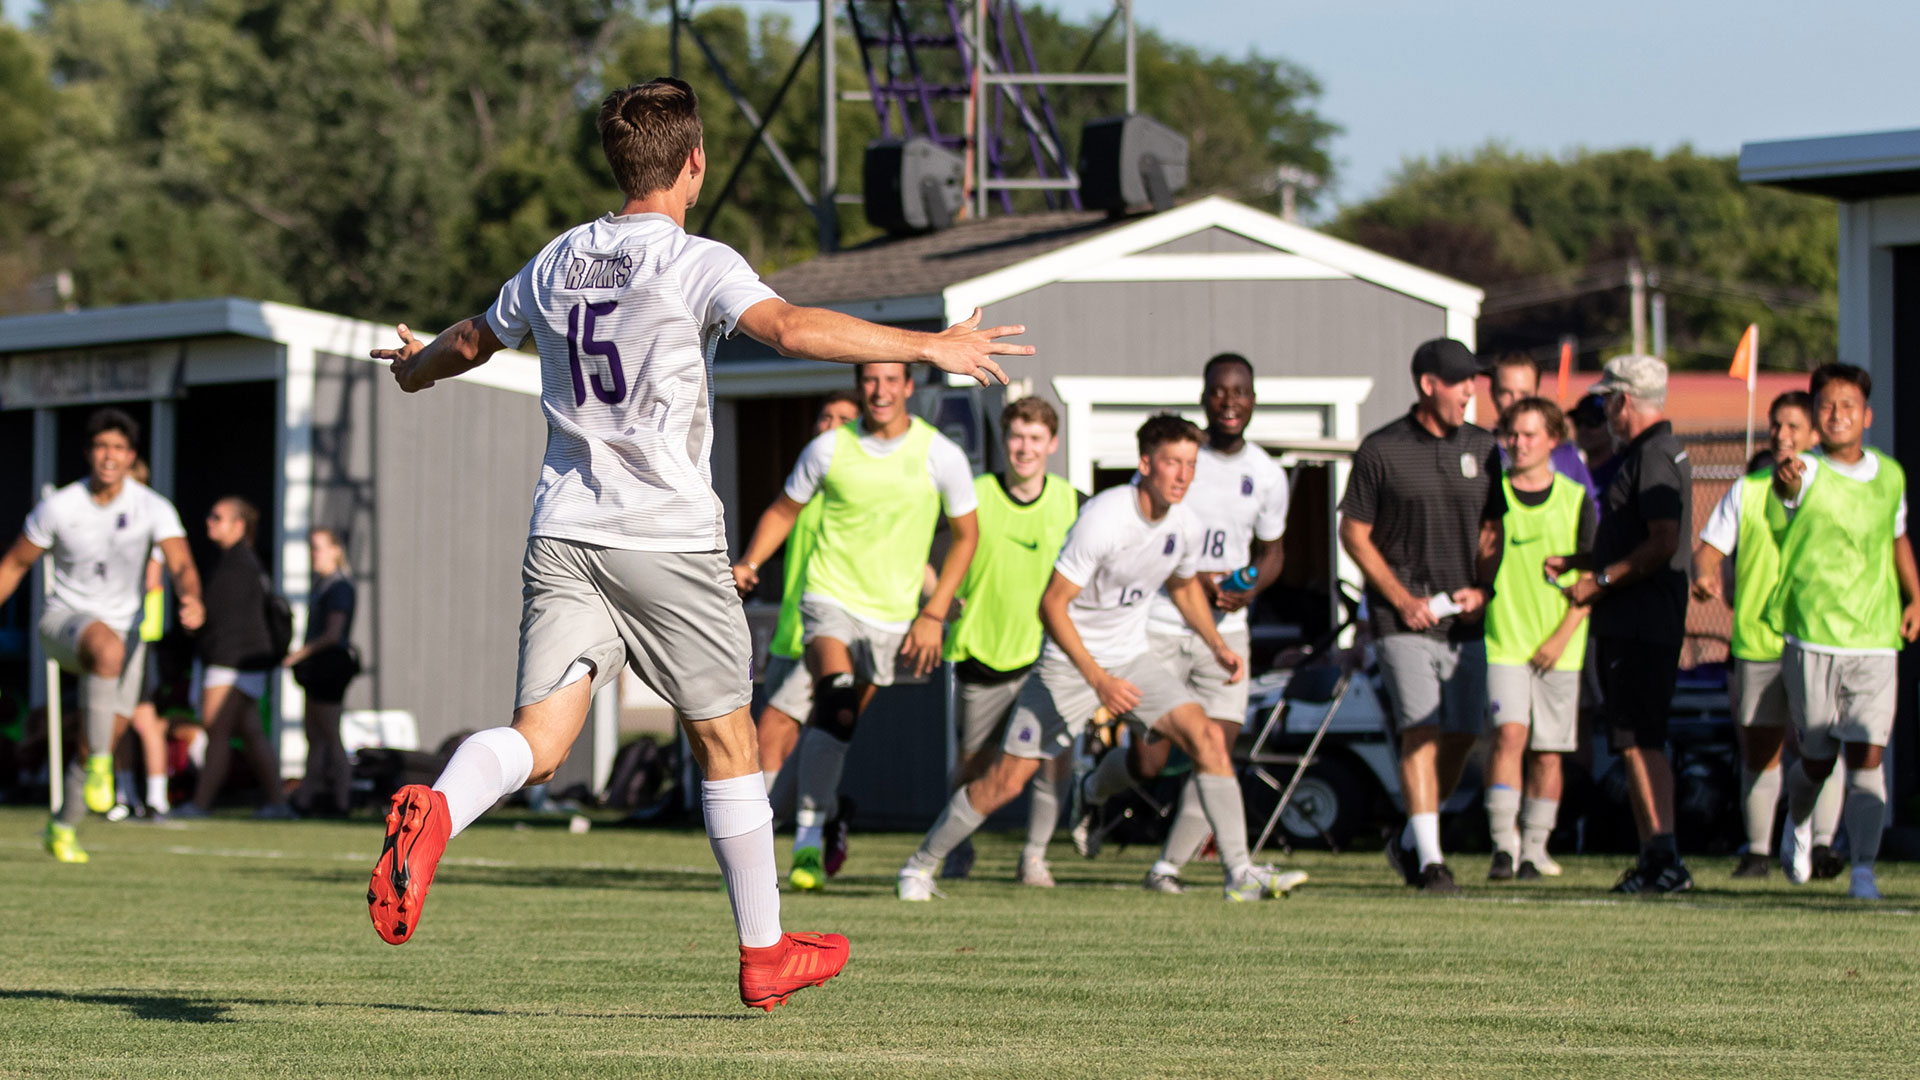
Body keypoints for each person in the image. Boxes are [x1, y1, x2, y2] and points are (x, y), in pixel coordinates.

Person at [362, 76, 1027, 1011]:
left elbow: (475, 338)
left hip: (564, 530)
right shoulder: (694, 260)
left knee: (542, 743)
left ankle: (438, 809)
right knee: (727, 740)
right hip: (665, 537)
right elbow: (792, 328)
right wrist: (930, 347)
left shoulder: (560, 257)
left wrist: (418, 371)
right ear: (693, 163)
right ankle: (764, 954)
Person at [896, 414, 1305, 902]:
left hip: (1133, 659)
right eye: (1172, 463)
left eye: (1191, 464)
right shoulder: (1105, 518)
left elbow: (1181, 585)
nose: (1183, 475)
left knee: (1207, 738)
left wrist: (1217, 646)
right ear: (1145, 463)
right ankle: (918, 867)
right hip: (1069, 666)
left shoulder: (1184, 523)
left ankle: (1240, 874)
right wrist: (1098, 680)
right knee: (1004, 783)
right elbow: (1051, 606)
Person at [733, 360, 980, 892]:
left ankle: (806, 825)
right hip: (828, 602)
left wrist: (933, 613)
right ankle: (801, 845)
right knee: (834, 699)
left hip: (891, 618)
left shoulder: (941, 454)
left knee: (835, 725)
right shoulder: (828, 448)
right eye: (871, 379)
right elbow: (782, 509)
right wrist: (750, 563)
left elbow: (967, 536)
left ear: (909, 387)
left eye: (892, 380)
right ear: (860, 385)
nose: (880, 390)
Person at [1077, 353, 1292, 893]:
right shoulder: (1179, 460)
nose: (1229, 401)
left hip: (1226, 631)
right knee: (1150, 762)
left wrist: (1248, 586)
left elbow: (1272, 554)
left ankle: (1169, 867)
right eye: (1219, 391)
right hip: (1161, 624)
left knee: (1213, 750)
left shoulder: (1266, 473)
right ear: (1204, 396)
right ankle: (1094, 790)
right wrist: (1194, 580)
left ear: (1253, 400)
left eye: (1240, 391)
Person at [0, 408, 203, 861]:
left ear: (130, 457)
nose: (108, 456)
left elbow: (181, 563)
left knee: (104, 734)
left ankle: (63, 826)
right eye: (100, 447)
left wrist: (192, 597)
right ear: (89, 454)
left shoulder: (153, 506)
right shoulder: (60, 505)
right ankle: (99, 769)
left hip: (127, 634)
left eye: (117, 448)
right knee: (105, 648)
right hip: (63, 623)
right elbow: (14, 564)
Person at [1339, 338, 1504, 894]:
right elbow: (1354, 534)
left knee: (1463, 733)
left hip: (1465, 622)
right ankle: (1432, 862)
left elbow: (1491, 528)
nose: (1470, 391)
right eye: (1460, 381)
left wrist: (1485, 585)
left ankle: (1409, 840)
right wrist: (1399, 597)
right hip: (1400, 620)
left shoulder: (1484, 448)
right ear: (1428, 384)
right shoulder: (1382, 449)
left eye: (1473, 380)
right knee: (1423, 728)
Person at [1767, 363, 1920, 900]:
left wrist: (1914, 595)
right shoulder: (1799, 471)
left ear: (1866, 416)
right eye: (1827, 406)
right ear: (1815, 416)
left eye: (1847, 406)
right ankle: (1799, 821)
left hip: (1876, 638)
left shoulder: (1890, 475)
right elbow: (1784, 499)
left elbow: (1897, 538)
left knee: (1867, 754)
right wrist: (1786, 484)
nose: (1837, 415)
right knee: (1816, 756)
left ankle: (1862, 870)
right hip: (1812, 634)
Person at [1553, 355, 1693, 894]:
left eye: (1607, 400)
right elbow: (1638, 539)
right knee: (1633, 740)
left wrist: (1600, 583)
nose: (1604, 411)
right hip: (1635, 619)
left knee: (1640, 742)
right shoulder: (1652, 451)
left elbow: (1660, 542)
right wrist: (1578, 563)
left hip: (1639, 622)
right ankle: (1654, 856)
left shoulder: (1654, 454)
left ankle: (1664, 859)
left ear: (1625, 401)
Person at [1691, 392, 1843, 878]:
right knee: (1761, 748)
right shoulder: (1748, 489)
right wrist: (1704, 573)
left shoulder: (1834, 489)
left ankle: (1820, 846)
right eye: (1776, 425)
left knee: (1822, 744)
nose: (1782, 435)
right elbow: (1710, 549)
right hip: (1759, 639)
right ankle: (1758, 850)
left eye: (1794, 426)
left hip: (1819, 638)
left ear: (1814, 434)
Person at [938, 396, 1080, 886]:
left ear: (1053, 444)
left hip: (1049, 656)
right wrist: (936, 595)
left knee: (1053, 761)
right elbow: (923, 548)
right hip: (982, 652)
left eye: (1035, 438)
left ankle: (1035, 857)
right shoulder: (975, 495)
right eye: (1017, 436)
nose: (1024, 448)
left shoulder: (1071, 501)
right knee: (974, 767)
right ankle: (957, 850)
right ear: (1004, 439)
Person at [1482, 398, 1594, 881]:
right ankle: (1502, 846)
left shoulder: (1575, 498)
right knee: (1510, 736)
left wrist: (1562, 635)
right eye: (1513, 434)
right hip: (1503, 638)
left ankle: (1535, 848)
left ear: (1553, 440)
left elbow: (1591, 580)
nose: (1519, 443)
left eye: (1530, 435)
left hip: (1560, 645)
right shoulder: (1492, 496)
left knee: (1549, 751)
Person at [754, 390, 862, 797]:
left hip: (825, 632)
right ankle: (817, 822)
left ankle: (758, 829)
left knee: (768, 735)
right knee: (788, 742)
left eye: (843, 420)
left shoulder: (855, 492)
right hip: (789, 632)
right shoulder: (805, 486)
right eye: (825, 417)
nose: (830, 426)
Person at [176, 497, 294, 819]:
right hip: (244, 663)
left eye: (218, 517)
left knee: (216, 732)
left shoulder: (237, 564)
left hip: (231, 663)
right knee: (251, 733)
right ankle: (278, 803)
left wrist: (197, 620)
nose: (209, 522)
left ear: (238, 525)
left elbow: (219, 618)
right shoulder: (243, 561)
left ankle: (200, 804)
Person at [286, 527, 359, 818]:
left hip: (329, 668)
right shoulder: (324, 584)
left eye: (318, 548)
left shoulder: (339, 586)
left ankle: (343, 800)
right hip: (318, 669)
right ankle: (306, 797)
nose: (312, 555)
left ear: (335, 550)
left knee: (329, 734)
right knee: (315, 736)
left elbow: (333, 633)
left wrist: (298, 655)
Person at [1489, 354, 1596, 498]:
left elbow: (1590, 511)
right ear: (1493, 394)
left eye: (1524, 393)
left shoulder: (1565, 455)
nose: (1515, 401)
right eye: (1506, 393)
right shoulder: (1480, 452)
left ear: (1537, 393)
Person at [1570, 395, 1617, 509]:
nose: (1583, 429)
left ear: (1611, 424)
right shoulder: (1572, 472)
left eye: (1593, 422)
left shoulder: (1621, 472)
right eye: (1578, 422)